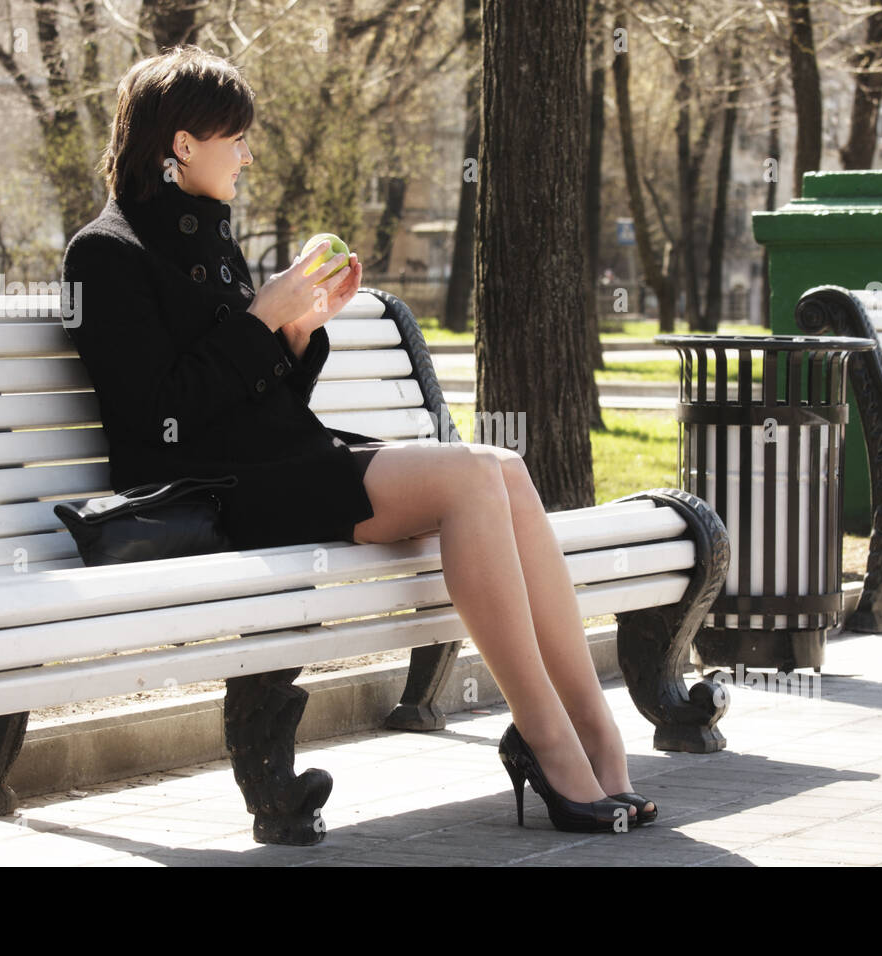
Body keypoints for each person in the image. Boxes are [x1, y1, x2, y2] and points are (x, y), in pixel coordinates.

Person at [62, 44, 655, 834]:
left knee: (502, 467)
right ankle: (549, 741)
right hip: (209, 490)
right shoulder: (104, 253)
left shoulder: (206, 236)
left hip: (273, 467)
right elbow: (155, 416)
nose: (248, 153)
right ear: (181, 145)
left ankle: (596, 737)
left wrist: (297, 332)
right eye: (235, 136)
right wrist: (262, 319)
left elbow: (254, 397)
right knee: (472, 479)